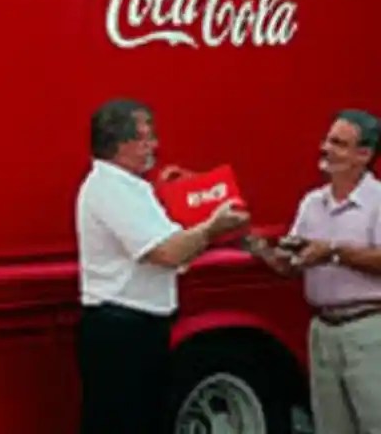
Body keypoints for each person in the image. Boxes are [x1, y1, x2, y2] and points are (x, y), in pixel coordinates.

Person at [76, 98, 250, 434]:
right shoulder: (112, 188)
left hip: (135, 328)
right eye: (146, 137)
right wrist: (214, 226)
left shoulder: (130, 187)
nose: (154, 145)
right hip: (122, 331)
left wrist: (183, 195)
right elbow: (167, 252)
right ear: (122, 143)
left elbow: (171, 240)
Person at [247, 109, 381, 434]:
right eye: (327, 140)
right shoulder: (312, 203)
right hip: (321, 331)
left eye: (338, 143)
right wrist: (263, 250)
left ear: (364, 154)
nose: (326, 149)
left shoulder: (378, 201)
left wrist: (332, 250)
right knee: (330, 427)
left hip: (367, 330)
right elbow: (294, 265)